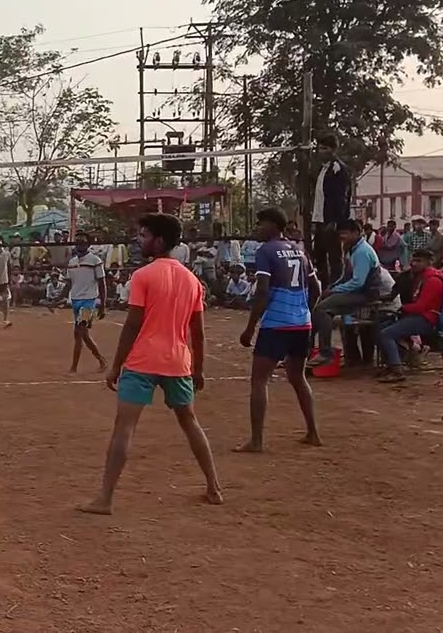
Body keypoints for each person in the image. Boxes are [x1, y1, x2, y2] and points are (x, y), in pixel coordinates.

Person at [78, 213, 223, 515]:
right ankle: (213, 487)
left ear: (158, 240)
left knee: (124, 428)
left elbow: (133, 325)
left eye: (144, 235)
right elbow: (197, 332)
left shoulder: (143, 276)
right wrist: (198, 369)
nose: (139, 240)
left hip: (143, 361)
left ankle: (105, 499)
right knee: (190, 422)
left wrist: (116, 366)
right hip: (178, 361)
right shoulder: (192, 280)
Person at [236, 208, 323, 452]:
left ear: (274, 225)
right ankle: (313, 432)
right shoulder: (299, 250)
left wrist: (250, 328)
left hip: (276, 323)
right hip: (301, 323)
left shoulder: (266, 251)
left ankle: (257, 441)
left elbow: (262, 291)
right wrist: (304, 310)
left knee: (259, 380)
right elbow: (316, 288)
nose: (257, 228)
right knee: (298, 377)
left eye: (260, 223)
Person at [308, 219, 388, 368]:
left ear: (356, 233)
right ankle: (311, 350)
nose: (342, 237)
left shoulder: (362, 251)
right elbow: (346, 276)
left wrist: (334, 290)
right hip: (356, 292)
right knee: (320, 309)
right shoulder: (352, 249)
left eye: (345, 233)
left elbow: (358, 282)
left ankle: (325, 352)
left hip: (365, 294)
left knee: (322, 309)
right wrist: (333, 286)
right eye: (340, 234)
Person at [376, 249, 443, 383]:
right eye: (413, 260)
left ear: (429, 262)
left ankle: (396, 370)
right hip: (418, 316)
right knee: (381, 328)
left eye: (419, 261)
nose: (414, 263)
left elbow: (422, 306)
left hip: (426, 319)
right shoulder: (420, 277)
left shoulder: (433, 280)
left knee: (387, 334)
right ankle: (392, 364)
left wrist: (403, 308)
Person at [60, 233, 108, 373]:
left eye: (82, 242)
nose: (79, 244)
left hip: (88, 300)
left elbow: (102, 283)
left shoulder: (95, 260)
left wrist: (102, 305)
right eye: (78, 242)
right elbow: (68, 284)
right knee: (82, 334)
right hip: (75, 300)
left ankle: (74, 367)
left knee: (80, 332)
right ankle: (100, 360)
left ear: (88, 244)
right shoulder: (72, 262)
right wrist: (57, 299)